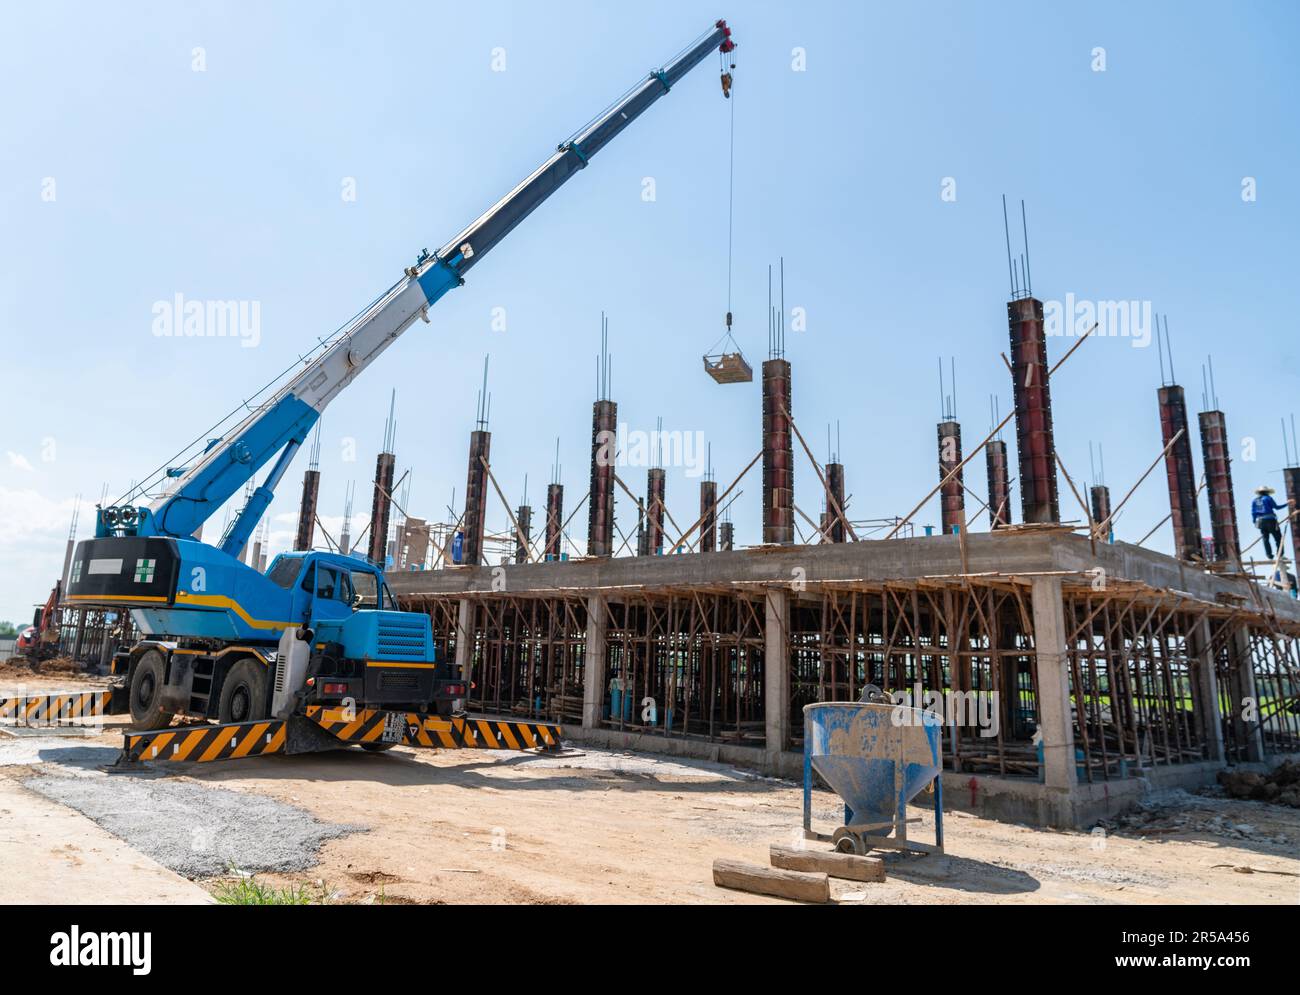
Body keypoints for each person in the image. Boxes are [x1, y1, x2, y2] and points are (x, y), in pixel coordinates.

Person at [1251, 485, 1283, 559]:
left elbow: (1253, 513)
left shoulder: (1255, 500)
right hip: (1270, 520)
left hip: (1261, 521)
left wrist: (1254, 521)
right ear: (1267, 492)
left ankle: (1269, 555)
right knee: (1278, 538)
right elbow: (1277, 507)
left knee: (1265, 539)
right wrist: (1286, 504)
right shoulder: (1268, 498)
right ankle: (1280, 553)